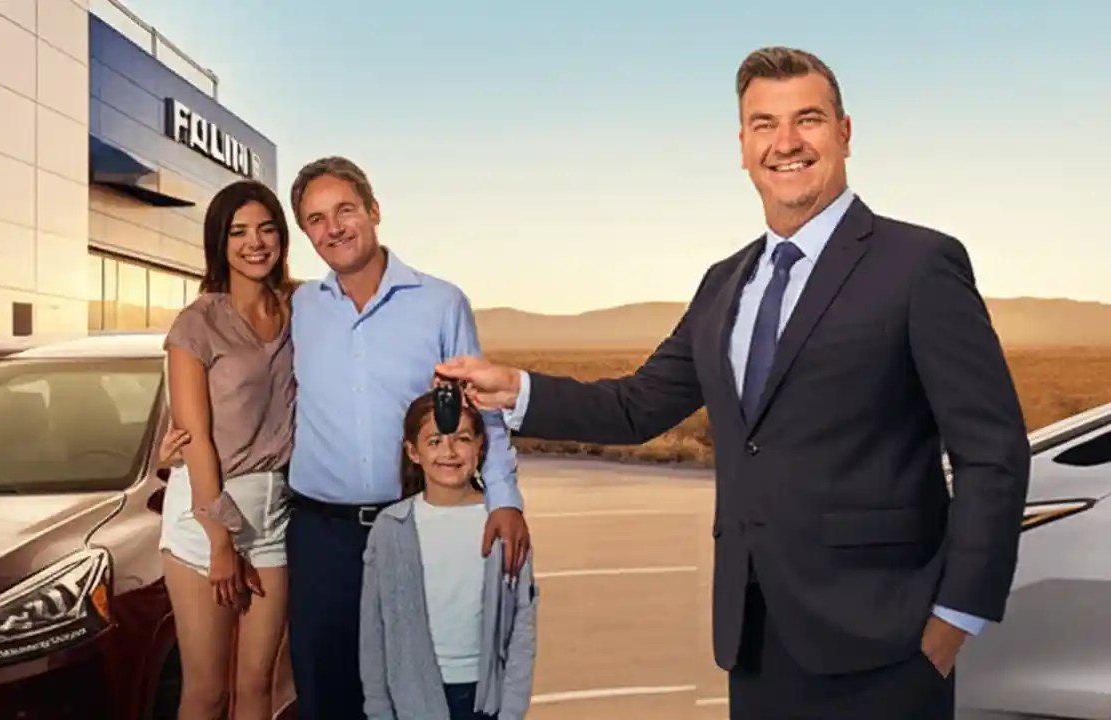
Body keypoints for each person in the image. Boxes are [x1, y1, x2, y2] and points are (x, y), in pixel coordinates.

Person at [435, 46, 1031, 719]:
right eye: (763, 124)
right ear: (742, 146)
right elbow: (637, 406)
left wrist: (958, 615)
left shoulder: (918, 265)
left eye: (807, 119)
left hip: (887, 641)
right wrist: (518, 388)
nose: (786, 143)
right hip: (755, 636)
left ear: (845, 132)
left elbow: (993, 452)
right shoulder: (726, 283)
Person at [160, 156, 530, 719]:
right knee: (321, 691)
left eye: (345, 211)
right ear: (305, 234)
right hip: (316, 533)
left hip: (407, 524)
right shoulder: (301, 306)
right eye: (315, 218)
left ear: (374, 211)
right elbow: (223, 399)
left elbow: (483, 406)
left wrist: (504, 498)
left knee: (417, 687)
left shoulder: (434, 303)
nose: (332, 227)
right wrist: (179, 443)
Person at [157, 179, 298, 720]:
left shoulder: (297, 313)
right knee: (207, 692)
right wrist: (220, 540)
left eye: (266, 229)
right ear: (220, 243)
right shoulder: (197, 324)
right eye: (238, 232)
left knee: (258, 686)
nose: (254, 242)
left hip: (274, 519)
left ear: (282, 237)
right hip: (207, 520)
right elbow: (192, 439)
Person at [359, 389, 537, 720]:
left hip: (484, 701)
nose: (450, 452)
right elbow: (373, 632)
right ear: (413, 451)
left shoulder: (503, 525)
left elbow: (521, 627)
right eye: (435, 441)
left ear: (480, 446)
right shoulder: (391, 529)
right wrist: (379, 710)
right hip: (412, 698)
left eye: (462, 439)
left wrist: (511, 711)